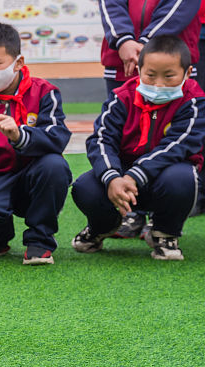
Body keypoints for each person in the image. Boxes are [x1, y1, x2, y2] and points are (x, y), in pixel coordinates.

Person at [71, 36, 204, 260]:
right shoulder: (121, 97)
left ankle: (164, 232)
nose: (159, 84)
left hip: (164, 178)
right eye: (150, 75)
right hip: (121, 180)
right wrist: (112, 177)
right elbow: (101, 140)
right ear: (138, 69)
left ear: (187, 72)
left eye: (169, 76)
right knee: (84, 186)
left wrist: (135, 175)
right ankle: (102, 227)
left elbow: (177, 146)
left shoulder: (194, 102)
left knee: (184, 178)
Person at [0, 23, 72, 265]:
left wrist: (20, 136)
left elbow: (57, 137)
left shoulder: (44, 93)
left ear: (18, 62)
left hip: (34, 175)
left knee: (55, 166)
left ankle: (40, 241)